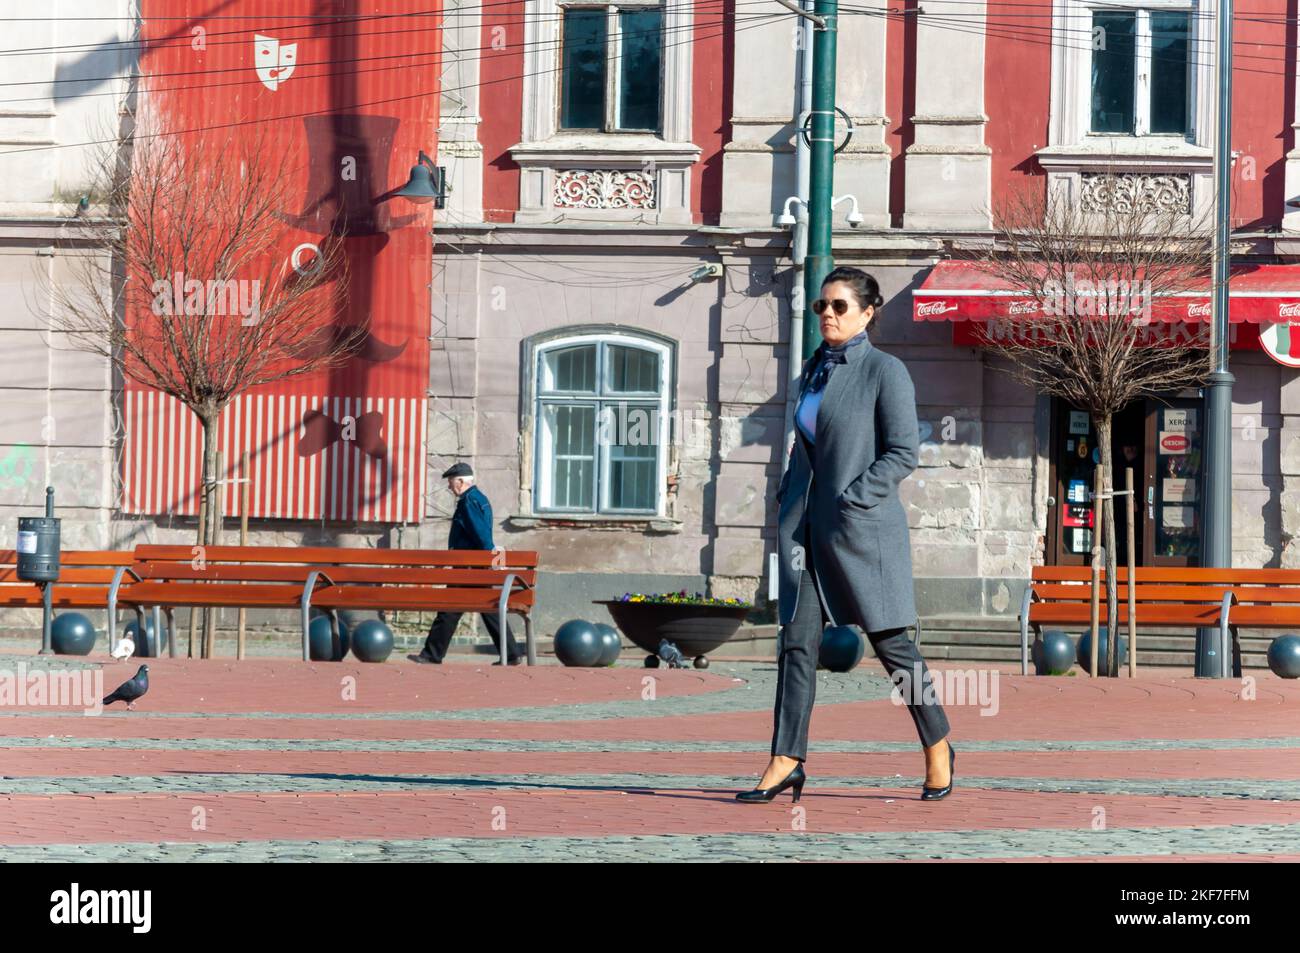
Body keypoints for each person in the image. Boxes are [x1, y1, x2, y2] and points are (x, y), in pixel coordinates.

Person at [736, 266, 955, 804]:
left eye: (838, 307)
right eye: (822, 307)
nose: (827, 316)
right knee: (795, 644)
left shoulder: (885, 370)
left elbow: (903, 452)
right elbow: (804, 445)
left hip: (862, 531)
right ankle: (786, 759)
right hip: (805, 530)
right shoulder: (813, 369)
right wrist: (789, 495)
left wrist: (851, 498)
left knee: (893, 646)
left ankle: (938, 744)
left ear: (867, 312)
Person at [408, 462, 524, 666]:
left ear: (461, 482)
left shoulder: (468, 501)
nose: (449, 487)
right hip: (474, 567)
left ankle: (431, 655)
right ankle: (511, 654)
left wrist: (490, 559)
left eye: (451, 482)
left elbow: (481, 535)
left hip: (468, 567)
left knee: (450, 608)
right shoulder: (479, 499)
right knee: (486, 609)